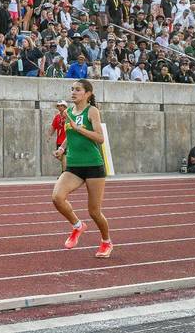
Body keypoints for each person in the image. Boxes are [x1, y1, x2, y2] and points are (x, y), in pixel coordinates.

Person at [51, 79, 113, 259]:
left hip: (93, 165)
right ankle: (78, 226)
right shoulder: (69, 111)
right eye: (72, 89)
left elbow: (99, 138)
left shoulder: (92, 111)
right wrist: (62, 148)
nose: (73, 92)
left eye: (78, 90)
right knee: (57, 197)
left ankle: (106, 241)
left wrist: (79, 129)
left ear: (87, 94)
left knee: (94, 211)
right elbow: (70, 135)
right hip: (74, 166)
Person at [49, 100, 68, 169]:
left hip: (66, 139)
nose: (60, 107)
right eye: (58, 106)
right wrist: (49, 135)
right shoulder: (57, 117)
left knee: (64, 156)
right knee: (59, 156)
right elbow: (53, 127)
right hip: (59, 140)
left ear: (65, 107)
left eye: (61, 106)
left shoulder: (69, 115)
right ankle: (67, 169)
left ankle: (64, 173)